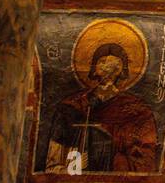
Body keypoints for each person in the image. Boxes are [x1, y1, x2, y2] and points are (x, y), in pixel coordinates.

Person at [45, 42, 157, 173]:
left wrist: (112, 158)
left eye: (115, 64)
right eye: (102, 62)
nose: (108, 68)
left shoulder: (137, 110)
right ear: (94, 68)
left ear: (122, 70)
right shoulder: (71, 106)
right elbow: (53, 164)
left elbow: (144, 160)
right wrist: (70, 168)